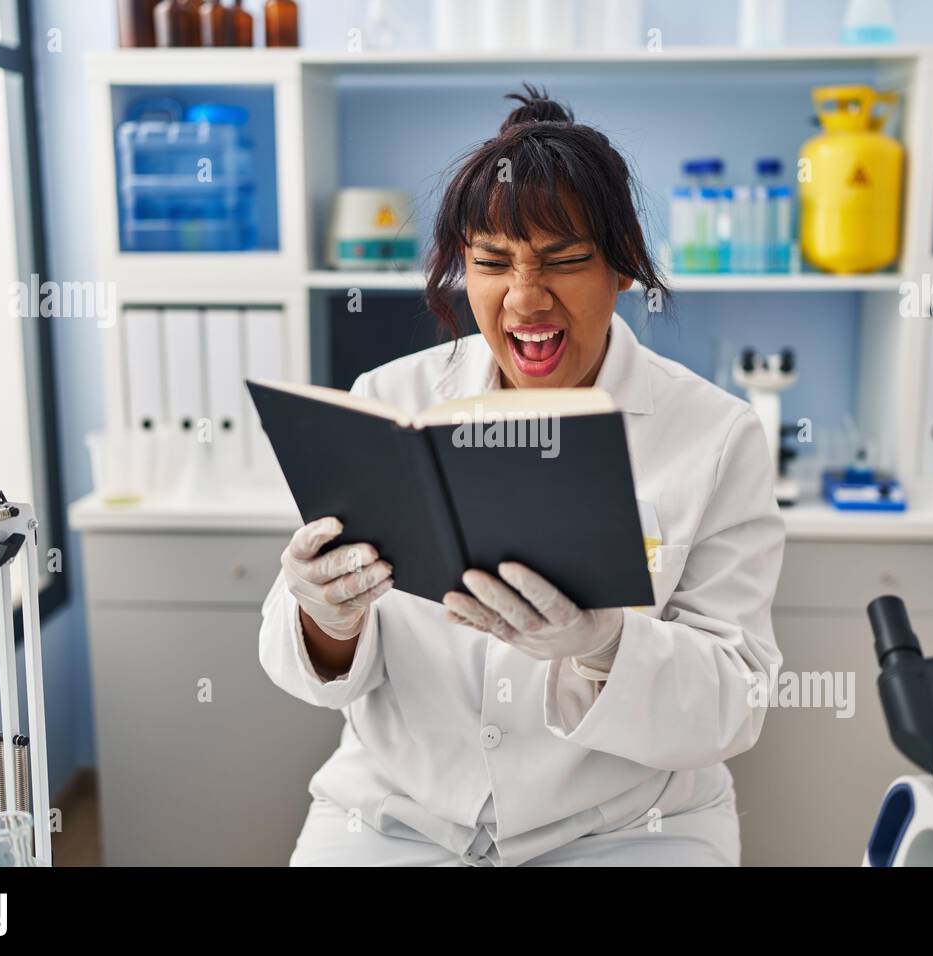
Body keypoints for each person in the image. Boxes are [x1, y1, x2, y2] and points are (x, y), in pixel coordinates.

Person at [260, 85, 785, 866]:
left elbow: (736, 702)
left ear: (623, 268)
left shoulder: (715, 435)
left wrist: (607, 645)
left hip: (625, 826)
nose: (525, 299)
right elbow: (307, 668)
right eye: (492, 264)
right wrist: (323, 619)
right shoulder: (387, 402)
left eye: (565, 262)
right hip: (398, 815)